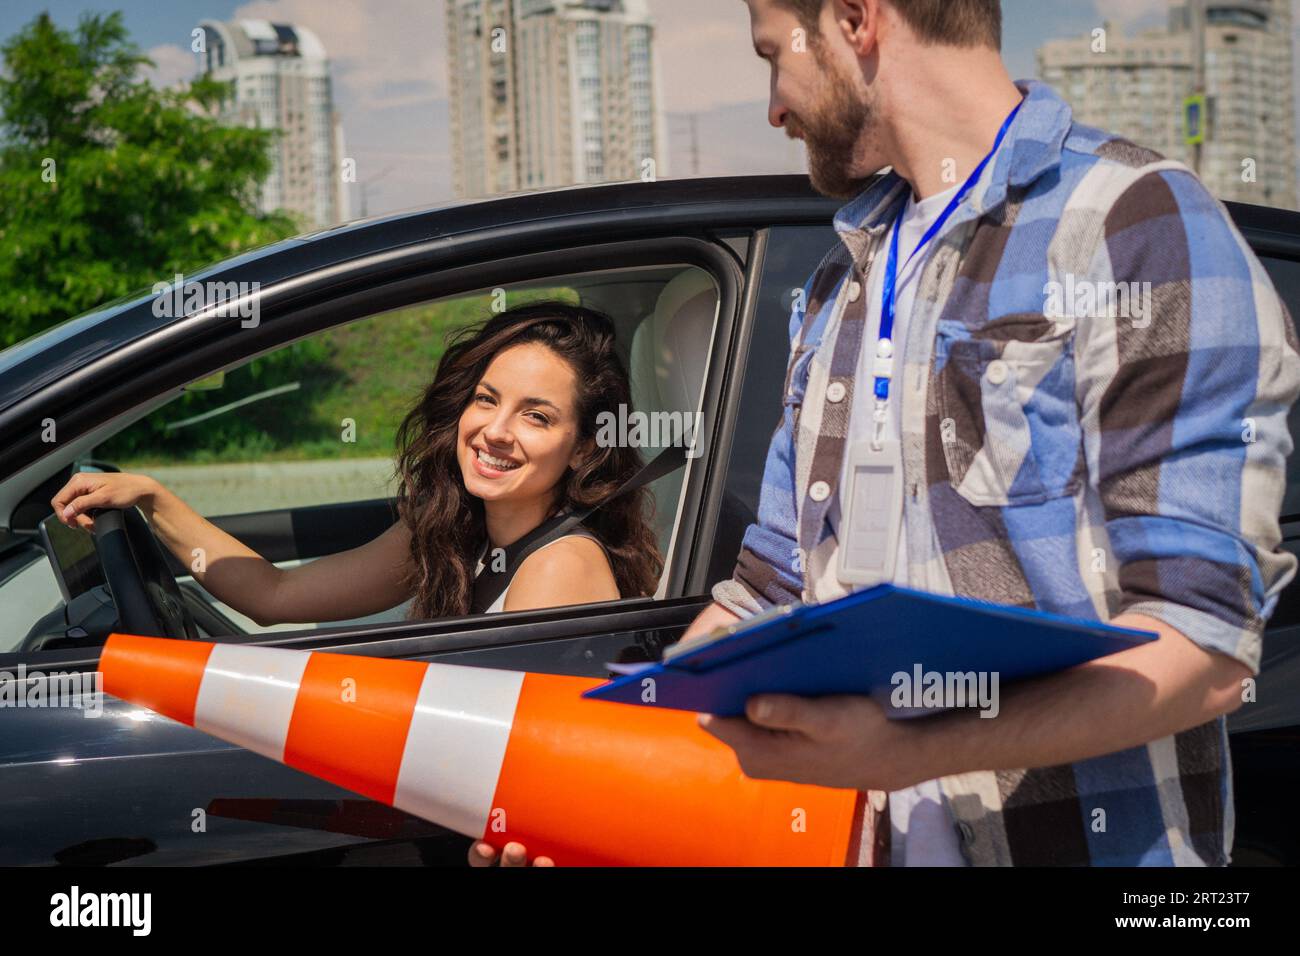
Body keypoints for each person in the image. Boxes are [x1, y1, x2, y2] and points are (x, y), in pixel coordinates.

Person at [675, 0, 1300, 866]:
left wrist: (912, 753)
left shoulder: (1138, 225)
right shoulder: (837, 283)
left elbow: (1206, 646)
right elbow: (768, 594)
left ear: (856, 20)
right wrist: (584, 779)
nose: (774, 107)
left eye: (772, 55)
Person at [51, 301, 662, 628]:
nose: (495, 433)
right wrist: (152, 498)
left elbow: (524, 757)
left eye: (537, 416)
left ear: (585, 446)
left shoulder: (561, 568)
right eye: (486, 399)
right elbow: (274, 594)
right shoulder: (454, 531)